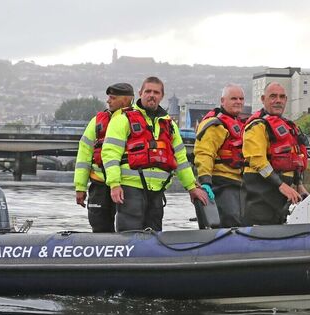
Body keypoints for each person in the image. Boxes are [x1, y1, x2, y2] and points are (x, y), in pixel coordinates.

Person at [101, 76, 208, 232]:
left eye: (156, 92)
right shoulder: (123, 119)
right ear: (140, 93)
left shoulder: (170, 125)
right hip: (130, 190)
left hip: (157, 192)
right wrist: (114, 184)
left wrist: (191, 187)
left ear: (162, 96)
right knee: (129, 234)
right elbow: (110, 154)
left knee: (154, 235)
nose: (152, 95)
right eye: (148, 91)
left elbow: (181, 160)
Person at [241, 82, 309, 225]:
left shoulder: (287, 126)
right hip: (261, 193)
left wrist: (299, 184)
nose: (278, 100)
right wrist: (281, 185)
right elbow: (258, 161)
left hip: (282, 195)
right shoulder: (257, 126)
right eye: (273, 96)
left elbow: (294, 159)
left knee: (278, 225)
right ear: (263, 99)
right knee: (261, 227)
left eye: (282, 97)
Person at [73, 82, 135, 232]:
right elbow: (84, 155)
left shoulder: (137, 120)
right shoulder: (97, 122)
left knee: (128, 228)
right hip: (99, 185)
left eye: (113, 98)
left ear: (126, 100)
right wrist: (80, 187)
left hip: (128, 186)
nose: (108, 101)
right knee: (99, 225)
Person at [193, 83, 246, 227]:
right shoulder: (215, 124)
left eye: (241, 99)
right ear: (223, 101)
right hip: (221, 184)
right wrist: (205, 181)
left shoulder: (239, 124)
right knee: (229, 221)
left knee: (241, 222)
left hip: (238, 184)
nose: (238, 102)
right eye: (234, 98)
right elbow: (204, 153)